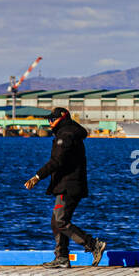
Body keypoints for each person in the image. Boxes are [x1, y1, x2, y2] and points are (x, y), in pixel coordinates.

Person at [23, 107, 105, 267]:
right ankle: (62, 258)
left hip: (69, 186)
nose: (50, 122)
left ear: (62, 118)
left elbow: (57, 161)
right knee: (57, 221)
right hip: (67, 184)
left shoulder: (66, 135)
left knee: (60, 221)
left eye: (52, 119)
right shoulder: (68, 132)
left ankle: (93, 244)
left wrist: (37, 176)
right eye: (49, 119)